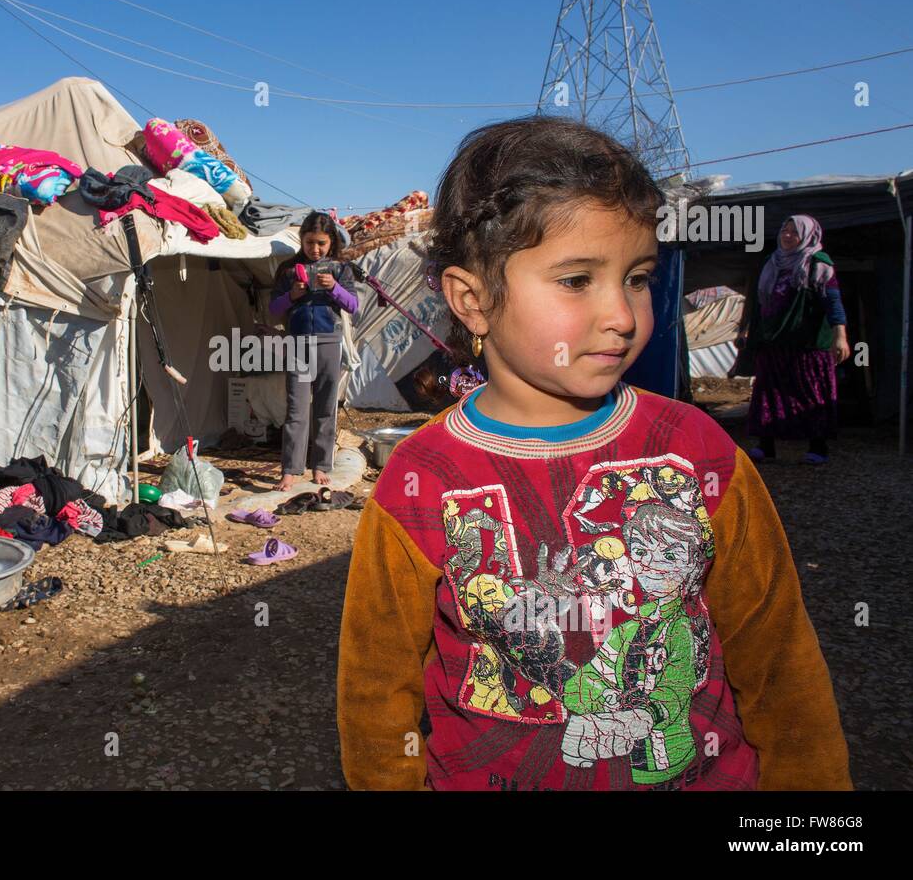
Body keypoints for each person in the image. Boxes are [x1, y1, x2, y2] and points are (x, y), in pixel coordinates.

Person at [336, 116, 850, 791]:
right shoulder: (420, 479)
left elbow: (776, 651)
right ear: (471, 300)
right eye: (578, 280)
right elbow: (377, 686)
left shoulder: (696, 450)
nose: (624, 315)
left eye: (637, 277)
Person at [742, 215, 850, 465]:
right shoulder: (771, 263)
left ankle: (817, 446)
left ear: (808, 237)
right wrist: (748, 330)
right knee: (769, 392)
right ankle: (765, 445)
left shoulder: (818, 264)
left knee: (811, 394)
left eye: (794, 232)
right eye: (784, 230)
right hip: (774, 340)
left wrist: (840, 336)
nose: (787, 236)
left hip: (807, 346)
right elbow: (759, 304)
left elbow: (833, 302)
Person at [268, 211, 359, 491]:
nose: (315, 249)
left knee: (325, 407)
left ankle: (321, 466)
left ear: (331, 241)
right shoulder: (287, 270)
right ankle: (291, 469)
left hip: (329, 343)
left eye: (321, 243)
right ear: (302, 240)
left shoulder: (341, 269)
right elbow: (272, 310)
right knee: (296, 409)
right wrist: (291, 296)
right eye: (309, 243)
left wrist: (333, 289)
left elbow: (353, 306)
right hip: (297, 344)